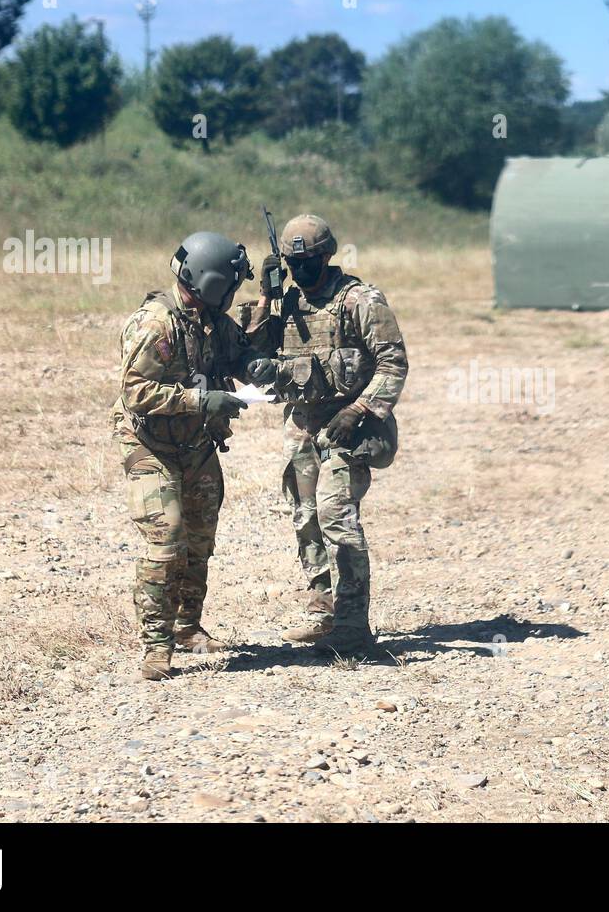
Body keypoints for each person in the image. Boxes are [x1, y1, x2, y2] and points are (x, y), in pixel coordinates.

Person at [242, 214, 408, 656]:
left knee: (336, 513)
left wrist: (358, 410)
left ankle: (353, 626)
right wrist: (265, 297)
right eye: (292, 264)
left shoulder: (360, 300)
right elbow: (252, 354)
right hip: (302, 425)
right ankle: (322, 610)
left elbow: (393, 364)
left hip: (348, 428)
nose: (300, 271)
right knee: (306, 516)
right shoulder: (287, 302)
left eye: (308, 262)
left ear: (327, 256)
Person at [113, 232, 258, 681]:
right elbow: (135, 392)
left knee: (199, 538)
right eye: (232, 284)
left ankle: (187, 627)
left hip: (195, 445)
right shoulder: (155, 326)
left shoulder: (210, 320)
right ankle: (156, 646)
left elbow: (238, 354)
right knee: (167, 537)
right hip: (150, 445)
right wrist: (201, 401)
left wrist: (257, 365)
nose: (235, 294)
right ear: (211, 281)